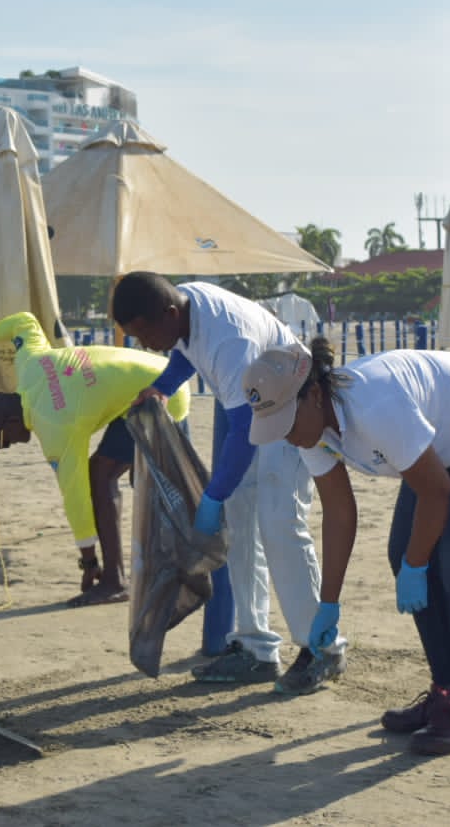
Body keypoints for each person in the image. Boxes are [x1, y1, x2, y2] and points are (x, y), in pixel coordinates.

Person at [242, 338, 450, 755]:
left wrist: (417, 564)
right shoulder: (310, 430)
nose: (288, 438)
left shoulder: (374, 406)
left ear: (313, 394)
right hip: (443, 444)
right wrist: (327, 603)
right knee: (402, 552)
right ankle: (444, 692)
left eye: (287, 423)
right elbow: (339, 513)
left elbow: (436, 492)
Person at [110, 271, 345, 696]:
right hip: (258, 409)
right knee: (240, 532)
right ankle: (256, 649)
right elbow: (185, 351)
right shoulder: (185, 307)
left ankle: (323, 648)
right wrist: (162, 387)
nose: (144, 346)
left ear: (167, 313)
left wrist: (213, 496)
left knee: (280, 528)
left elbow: (242, 430)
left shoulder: (227, 340)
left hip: (293, 413)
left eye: (144, 335)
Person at [0, 311, 191, 606]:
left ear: (9, 421)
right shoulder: (30, 365)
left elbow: (76, 497)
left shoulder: (54, 425)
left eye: (1, 442)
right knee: (110, 473)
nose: (6, 448)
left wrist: (88, 562)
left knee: (100, 478)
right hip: (159, 371)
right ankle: (129, 567)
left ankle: (113, 581)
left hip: (163, 393)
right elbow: (24, 321)